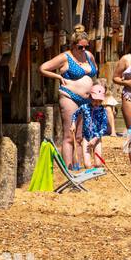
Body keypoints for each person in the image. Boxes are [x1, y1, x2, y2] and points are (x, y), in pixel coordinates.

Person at [39, 26, 98, 169]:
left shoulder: (89, 56)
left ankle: (76, 167)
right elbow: (43, 68)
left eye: (86, 46)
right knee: (68, 135)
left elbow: (95, 72)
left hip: (86, 99)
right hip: (69, 97)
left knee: (79, 136)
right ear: (73, 45)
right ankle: (67, 167)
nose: (83, 50)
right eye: (80, 47)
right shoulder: (65, 57)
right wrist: (58, 76)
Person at [74, 81, 113, 168]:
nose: (97, 103)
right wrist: (73, 124)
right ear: (90, 97)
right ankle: (89, 174)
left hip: (97, 138)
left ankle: (96, 176)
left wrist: (95, 139)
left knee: (98, 164)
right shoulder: (84, 107)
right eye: (95, 100)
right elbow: (75, 114)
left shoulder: (103, 111)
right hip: (86, 138)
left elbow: (104, 127)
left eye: (99, 101)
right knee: (87, 165)